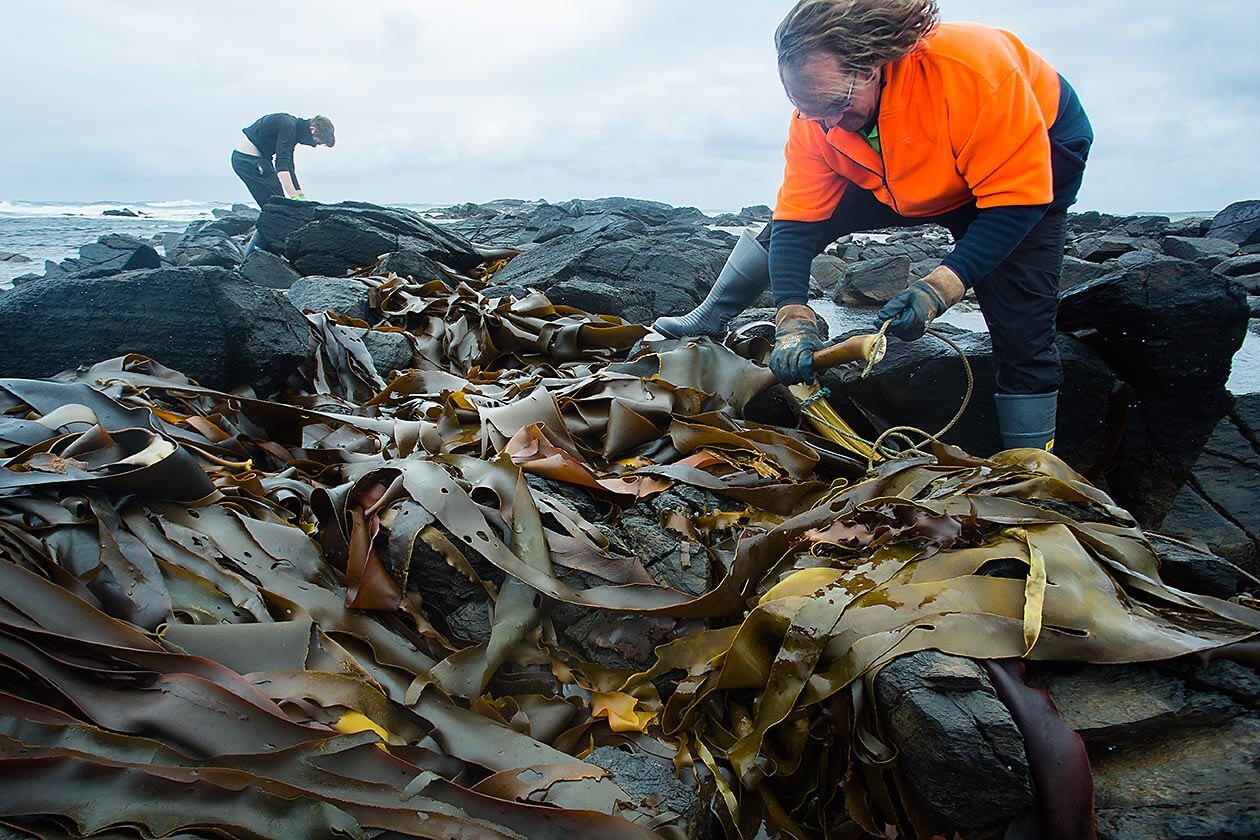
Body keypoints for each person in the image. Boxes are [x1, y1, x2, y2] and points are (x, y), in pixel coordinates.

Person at [654, 0, 1092, 452]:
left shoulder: (973, 73)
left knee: (1022, 328)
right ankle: (708, 316)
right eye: (810, 109)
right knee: (789, 226)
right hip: (896, 169)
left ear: (875, 64)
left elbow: (1015, 203)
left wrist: (938, 288)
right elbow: (797, 221)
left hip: (1027, 163)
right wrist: (791, 316)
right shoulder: (821, 119)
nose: (828, 123)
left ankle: (1031, 466)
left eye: (836, 105)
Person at [232, 113, 334, 253]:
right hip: (248, 161)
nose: (314, 146)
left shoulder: (292, 128)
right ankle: (253, 255)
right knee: (275, 210)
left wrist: (299, 194)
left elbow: (289, 166)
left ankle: (265, 252)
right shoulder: (288, 126)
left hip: (258, 162)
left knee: (277, 209)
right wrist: (293, 199)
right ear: (313, 129)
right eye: (317, 141)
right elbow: (281, 166)